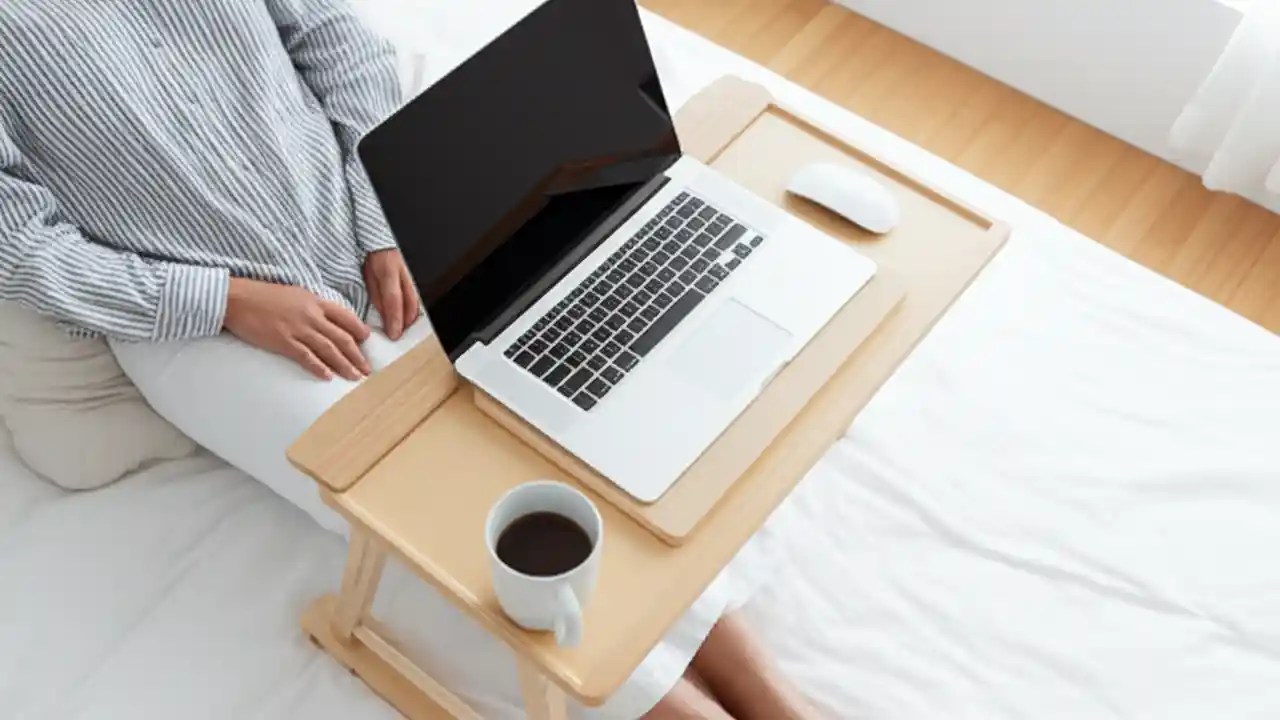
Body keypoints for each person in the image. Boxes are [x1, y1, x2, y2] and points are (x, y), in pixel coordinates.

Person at [0, 2, 819, 717]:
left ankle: (773, 701)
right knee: (451, 517)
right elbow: (20, 246)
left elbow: (337, 47)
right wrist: (226, 301)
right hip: (198, 326)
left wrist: (382, 218)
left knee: (552, 415)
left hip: (361, 224)